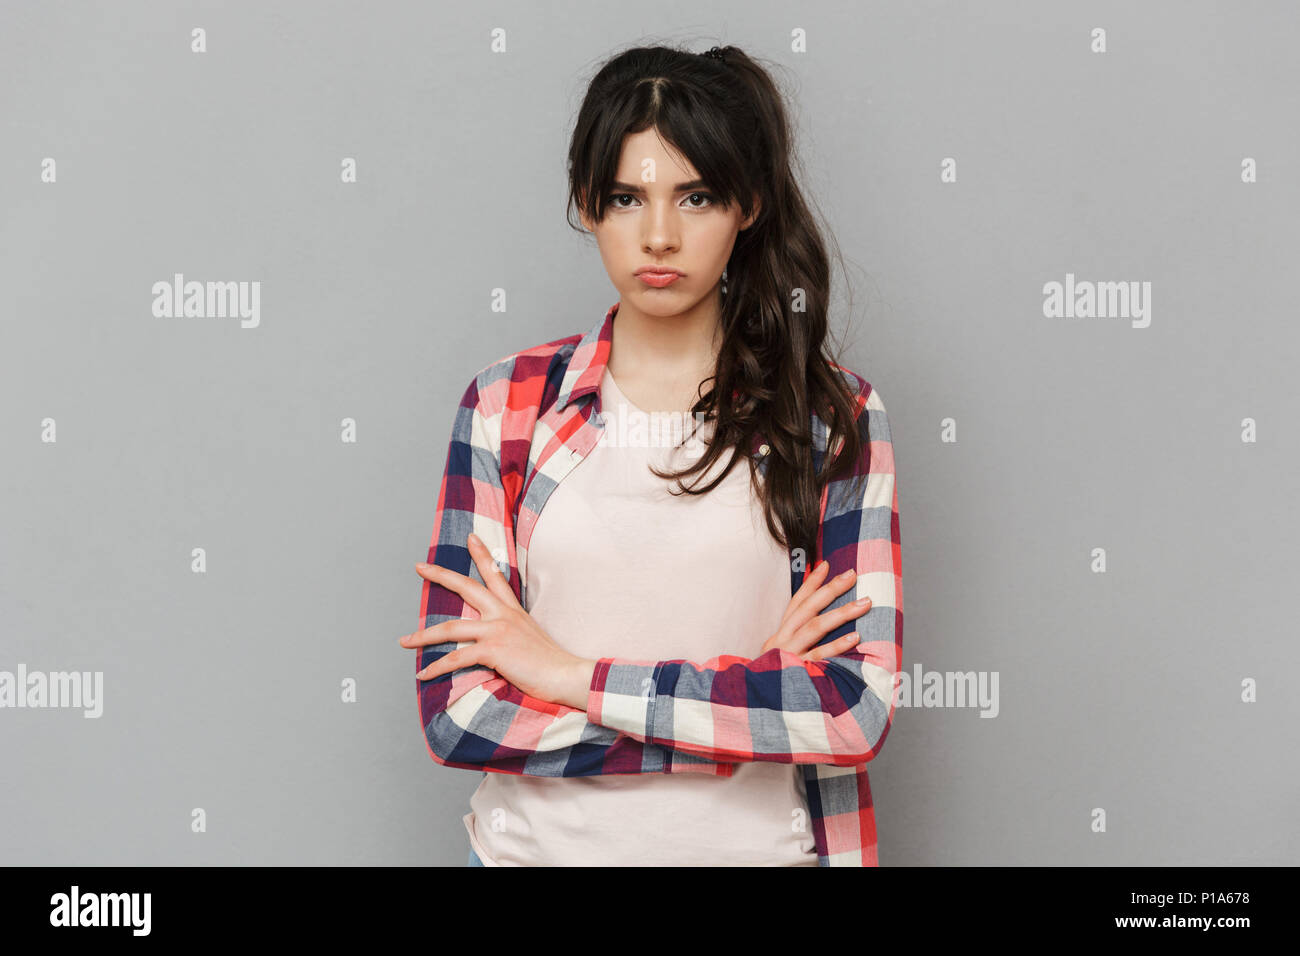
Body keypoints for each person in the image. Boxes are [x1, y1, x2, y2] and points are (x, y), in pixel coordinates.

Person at [399, 43, 903, 866]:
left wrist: (566, 674)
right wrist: (747, 707)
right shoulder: (506, 408)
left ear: (747, 204)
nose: (659, 236)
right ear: (588, 203)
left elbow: (853, 710)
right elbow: (459, 714)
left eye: (695, 196)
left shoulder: (829, 417)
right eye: (628, 198)